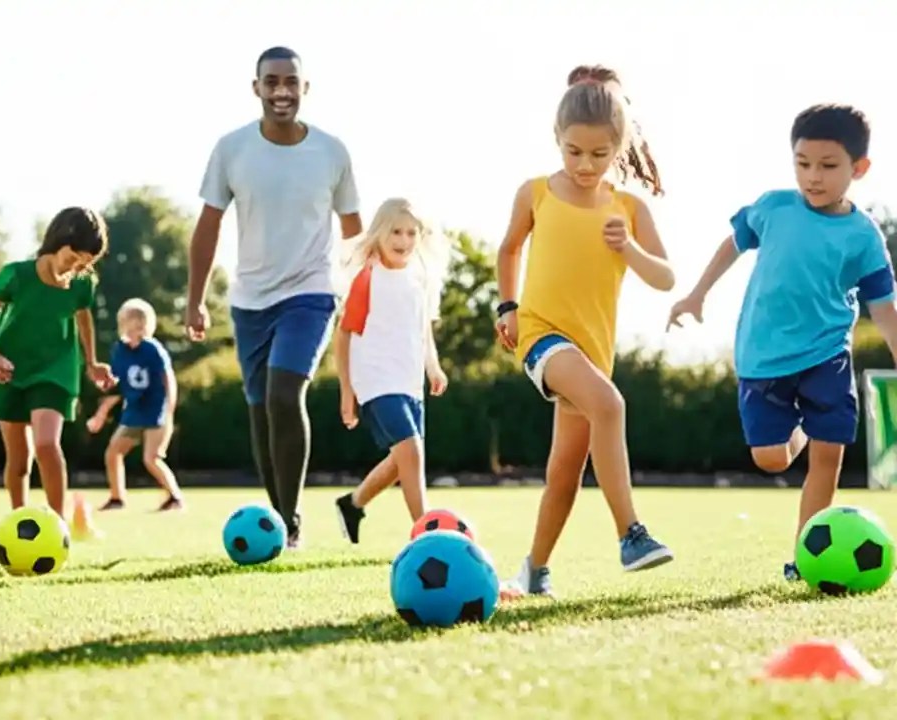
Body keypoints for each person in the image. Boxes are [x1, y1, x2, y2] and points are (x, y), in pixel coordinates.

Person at [668, 104, 897, 581]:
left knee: (829, 451)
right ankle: (799, 429)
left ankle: (804, 557)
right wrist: (696, 293)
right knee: (770, 458)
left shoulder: (862, 236)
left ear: (859, 168)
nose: (813, 177)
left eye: (828, 166)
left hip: (827, 352)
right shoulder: (774, 207)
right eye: (803, 163)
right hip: (763, 356)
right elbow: (732, 243)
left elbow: (883, 308)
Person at [494, 65, 675, 598]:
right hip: (542, 337)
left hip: (592, 355)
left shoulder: (628, 208)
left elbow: (665, 277)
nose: (584, 164)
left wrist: (630, 248)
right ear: (558, 139)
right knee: (612, 407)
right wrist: (508, 306)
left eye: (598, 154)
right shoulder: (536, 194)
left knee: (565, 472)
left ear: (618, 147)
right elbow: (508, 249)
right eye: (574, 151)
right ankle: (631, 535)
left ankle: (533, 571)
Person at [185, 46, 363, 549]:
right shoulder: (232, 148)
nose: (282, 91)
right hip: (249, 300)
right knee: (261, 407)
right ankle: (278, 518)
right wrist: (195, 299)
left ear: (305, 88)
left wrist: (356, 293)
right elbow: (208, 225)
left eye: (291, 82)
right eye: (272, 82)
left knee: (286, 394)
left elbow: (352, 231)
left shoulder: (332, 152)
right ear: (257, 87)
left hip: (311, 291)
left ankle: (290, 521)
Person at [0, 207, 115, 516]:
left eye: (85, 264)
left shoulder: (81, 284)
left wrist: (92, 362)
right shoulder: (16, 276)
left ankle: (57, 524)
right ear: (57, 241)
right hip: (10, 370)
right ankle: (19, 521)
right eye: (73, 258)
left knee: (47, 444)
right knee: (19, 459)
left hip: (55, 371)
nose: (76, 268)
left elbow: (83, 317)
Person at [332, 199, 450, 543]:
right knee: (411, 450)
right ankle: (426, 533)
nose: (404, 240)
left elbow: (423, 329)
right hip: (375, 380)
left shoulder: (420, 278)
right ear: (380, 234)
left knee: (402, 460)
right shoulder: (367, 277)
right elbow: (344, 336)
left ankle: (353, 504)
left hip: (409, 382)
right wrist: (347, 392)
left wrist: (434, 366)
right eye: (396, 232)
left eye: (411, 232)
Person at [86, 298, 185, 512]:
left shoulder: (153, 349)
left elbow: (168, 379)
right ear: (123, 324)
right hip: (134, 411)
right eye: (131, 321)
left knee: (152, 458)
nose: (136, 327)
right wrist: (101, 414)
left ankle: (175, 497)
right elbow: (119, 388)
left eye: (140, 322)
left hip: (155, 410)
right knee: (113, 452)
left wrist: (169, 411)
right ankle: (117, 497)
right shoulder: (119, 350)